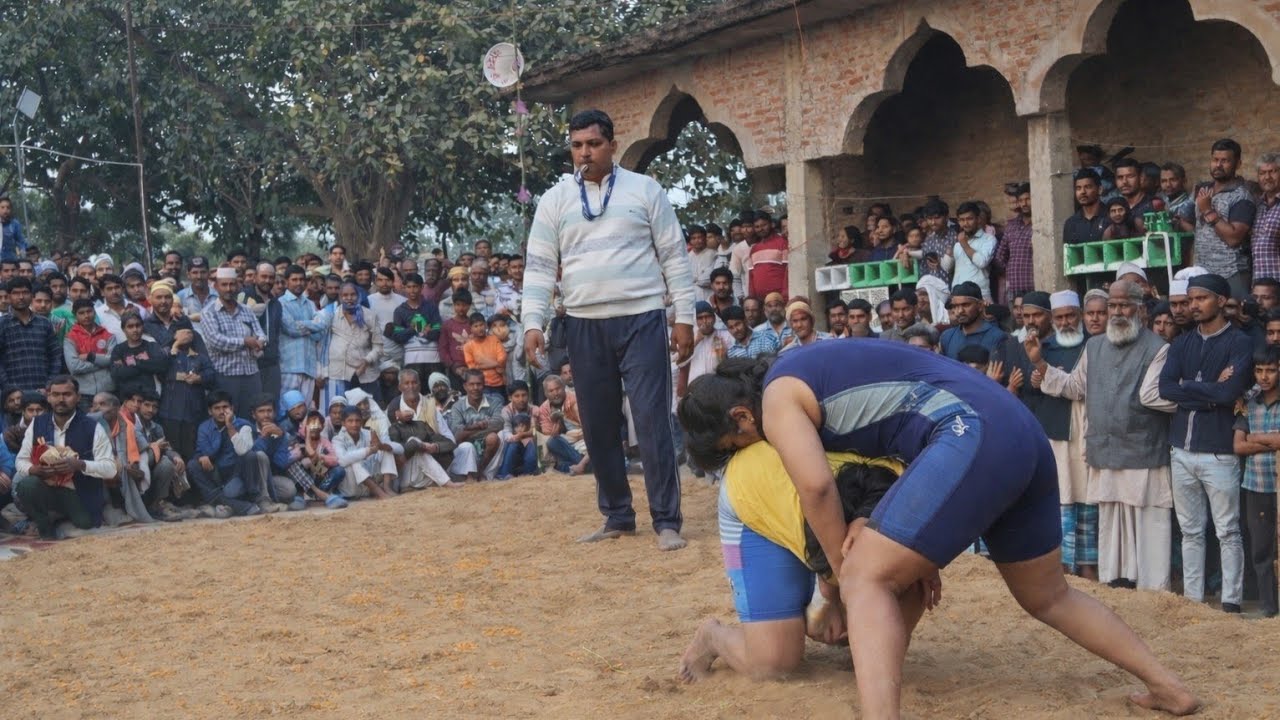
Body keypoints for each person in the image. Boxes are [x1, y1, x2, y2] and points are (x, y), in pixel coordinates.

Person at [676, 348, 1199, 717]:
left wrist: (844, 573)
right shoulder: (814, 366)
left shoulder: (778, 397)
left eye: (734, 443)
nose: (748, 448)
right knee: (1049, 595)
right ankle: (1169, 687)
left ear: (742, 416)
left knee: (864, 577)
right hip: (1020, 435)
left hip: (968, 433)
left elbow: (816, 488)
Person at [522, 109, 694, 551]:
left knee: (652, 418)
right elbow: (540, 265)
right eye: (577, 145)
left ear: (612, 145)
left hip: (641, 317)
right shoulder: (555, 199)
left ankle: (666, 521)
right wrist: (532, 322)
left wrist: (684, 317)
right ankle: (617, 515)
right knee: (597, 425)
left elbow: (674, 255)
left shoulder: (645, 190)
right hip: (582, 322)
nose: (585, 153)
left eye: (593, 144)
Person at [1158, 273, 1254, 612]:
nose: (1192, 305)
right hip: (1181, 448)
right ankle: (1193, 602)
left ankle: (1230, 601)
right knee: (1190, 531)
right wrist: (1210, 393)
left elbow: (1231, 393)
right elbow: (1165, 388)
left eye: (1200, 298)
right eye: (1190, 299)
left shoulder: (1239, 342)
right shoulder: (1182, 342)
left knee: (1227, 531)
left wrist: (1191, 388)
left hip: (1219, 451)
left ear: (1220, 301)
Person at [1232, 346, 1280, 617]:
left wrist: (1255, 438)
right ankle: (1269, 609)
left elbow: (1249, 440)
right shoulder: (1248, 403)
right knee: (1261, 551)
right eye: (1259, 371)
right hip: (1256, 485)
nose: (1265, 377)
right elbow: (1238, 446)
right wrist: (1272, 441)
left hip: (1279, 486)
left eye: (1271, 370)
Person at [1176, 139, 1256, 298]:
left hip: (1231, 273)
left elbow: (1233, 238)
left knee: (1236, 317)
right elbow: (1185, 219)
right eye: (1215, 159)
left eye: (1225, 160)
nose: (1218, 165)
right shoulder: (1202, 189)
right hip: (1203, 272)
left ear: (1238, 164)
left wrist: (1208, 210)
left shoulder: (1242, 196)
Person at [188, 392, 267, 518]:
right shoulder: (204, 427)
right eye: (217, 408)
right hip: (217, 472)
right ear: (210, 411)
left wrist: (229, 426)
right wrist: (201, 457)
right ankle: (237, 505)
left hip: (238, 473)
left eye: (225, 407)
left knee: (249, 455)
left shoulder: (244, 425)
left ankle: (246, 501)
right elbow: (206, 452)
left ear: (232, 408)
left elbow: (242, 451)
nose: (221, 412)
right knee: (193, 465)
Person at [201, 267, 267, 417]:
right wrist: (245, 342)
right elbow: (216, 341)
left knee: (252, 418)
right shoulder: (209, 312)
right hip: (225, 376)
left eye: (232, 284)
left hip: (251, 374)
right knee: (227, 419)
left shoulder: (246, 310)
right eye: (224, 285)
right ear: (216, 286)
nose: (229, 289)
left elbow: (261, 334)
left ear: (238, 286)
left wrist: (260, 342)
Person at [323, 281, 383, 403]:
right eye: (345, 295)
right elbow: (323, 344)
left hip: (366, 374)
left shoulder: (369, 316)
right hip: (339, 373)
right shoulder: (331, 314)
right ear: (340, 297)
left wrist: (367, 361)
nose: (349, 298)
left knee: (368, 409)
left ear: (358, 296)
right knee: (342, 410)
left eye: (353, 295)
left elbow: (378, 346)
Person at [0, 277, 62, 395]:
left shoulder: (44, 323)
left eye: (25, 292)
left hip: (42, 392)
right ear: (8, 297)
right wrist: (8, 388)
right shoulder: (2, 324)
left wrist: (49, 386)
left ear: (31, 296)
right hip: (12, 395)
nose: (21, 297)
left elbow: (55, 356)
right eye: (16, 293)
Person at [446, 370, 503, 482]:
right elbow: (457, 435)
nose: (475, 388)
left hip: (489, 448)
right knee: (467, 446)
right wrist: (476, 426)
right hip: (468, 449)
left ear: (484, 385)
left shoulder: (495, 402)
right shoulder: (457, 407)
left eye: (479, 384)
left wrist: (468, 429)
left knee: (497, 436)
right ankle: (472, 475)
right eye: (471, 384)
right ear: (465, 386)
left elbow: (498, 423)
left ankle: (484, 472)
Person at [63, 298, 117, 412]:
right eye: (81, 313)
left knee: (110, 426)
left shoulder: (108, 335)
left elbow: (113, 359)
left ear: (94, 311)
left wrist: (90, 357)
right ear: (75, 315)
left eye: (89, 311)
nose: (86, 315)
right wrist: (102, 363)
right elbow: (74, 367)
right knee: (87, 427)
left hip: (108, 389)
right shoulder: (70, 338)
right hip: (84, 393)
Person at [938, 282, 1008, 360]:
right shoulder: (947, 337)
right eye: (955, 306)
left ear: (980, 306)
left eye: (966, 305)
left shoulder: (997, 337)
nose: (960, 311)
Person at [536, 374, 589, 475]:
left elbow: (589, 429)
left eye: (558, 389)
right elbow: (551, 437)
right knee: (552, 442)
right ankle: (583, 465)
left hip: (584, 440)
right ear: (545, 393)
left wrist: (575, 435)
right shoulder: (544, 409)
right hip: (567, 445)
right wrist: (557, 422)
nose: (555, 393)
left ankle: (581, 466)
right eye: (551, 391)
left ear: (564, 387)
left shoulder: (574, 400)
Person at [109, 313, 170, 400]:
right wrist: (147, 365)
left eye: (138, 325)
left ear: (143, 326)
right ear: (123, 329)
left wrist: (134, 364)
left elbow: (161, 366)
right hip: (129, 398)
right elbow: (116, 374)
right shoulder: (119, 350)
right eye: (130, 326)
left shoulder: (152, 346)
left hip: (152, 396)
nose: (135, 329)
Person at [951, 201, 997, 302]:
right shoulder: (957, 243)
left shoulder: (989, 239)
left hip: (980, 295)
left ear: (978, 219)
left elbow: (981, 262)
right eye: (962, 220)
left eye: (969, 219)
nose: (965, 223)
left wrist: (965, 245)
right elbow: (948, 268)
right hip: (958, 295)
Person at [1064, 170, 1109, 245]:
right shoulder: (1071, 223)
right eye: (1078, 188)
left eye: (1087, 187)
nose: (1082, 192)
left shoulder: (1112, 217)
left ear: (1100, 190)